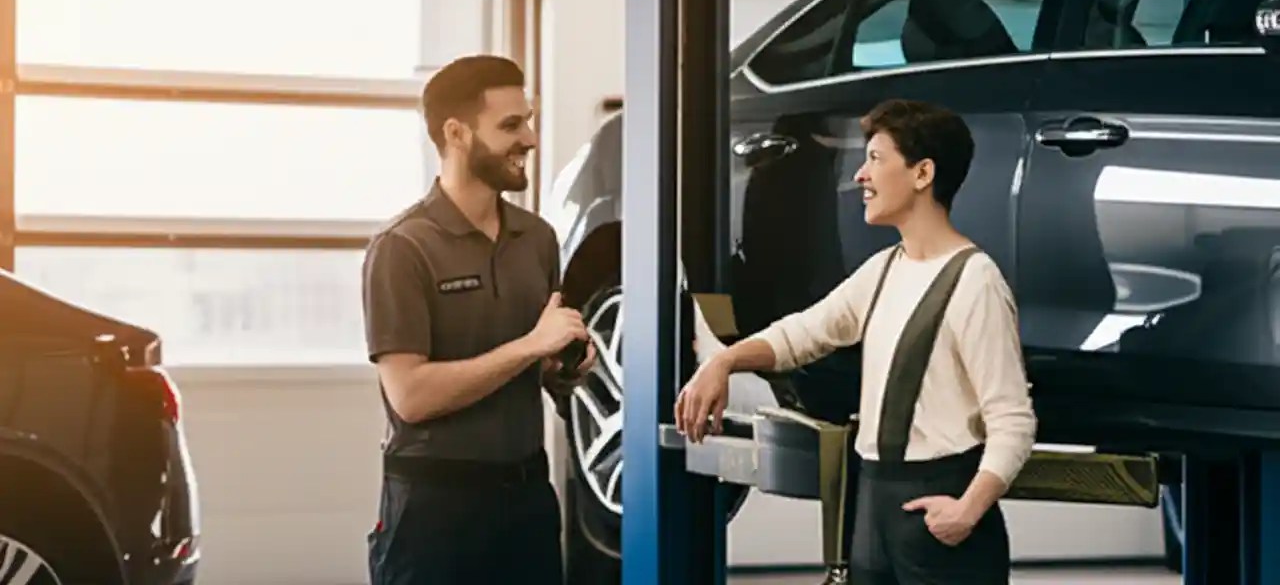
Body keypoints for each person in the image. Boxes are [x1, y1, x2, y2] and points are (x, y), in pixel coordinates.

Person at [675, 98, 1036, 585]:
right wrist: (723, 363)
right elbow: (805, 332)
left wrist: (967, 511)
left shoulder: (976, 282)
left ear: (922, 173)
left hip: (941, 510)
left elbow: (1013, 420)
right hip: (874, 505)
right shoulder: (885, 269)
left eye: (876, 158)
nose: (861, 175)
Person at [362, 54, 596, 585]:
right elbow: (412, 397)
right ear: (457, 133)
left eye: (529, 120)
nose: (531, 139)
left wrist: (560, 371)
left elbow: (532, 368)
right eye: (511, 125)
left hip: (527, 501)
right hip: (434, 512)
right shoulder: (402, 249)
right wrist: (530, 347)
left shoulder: (537, 240)